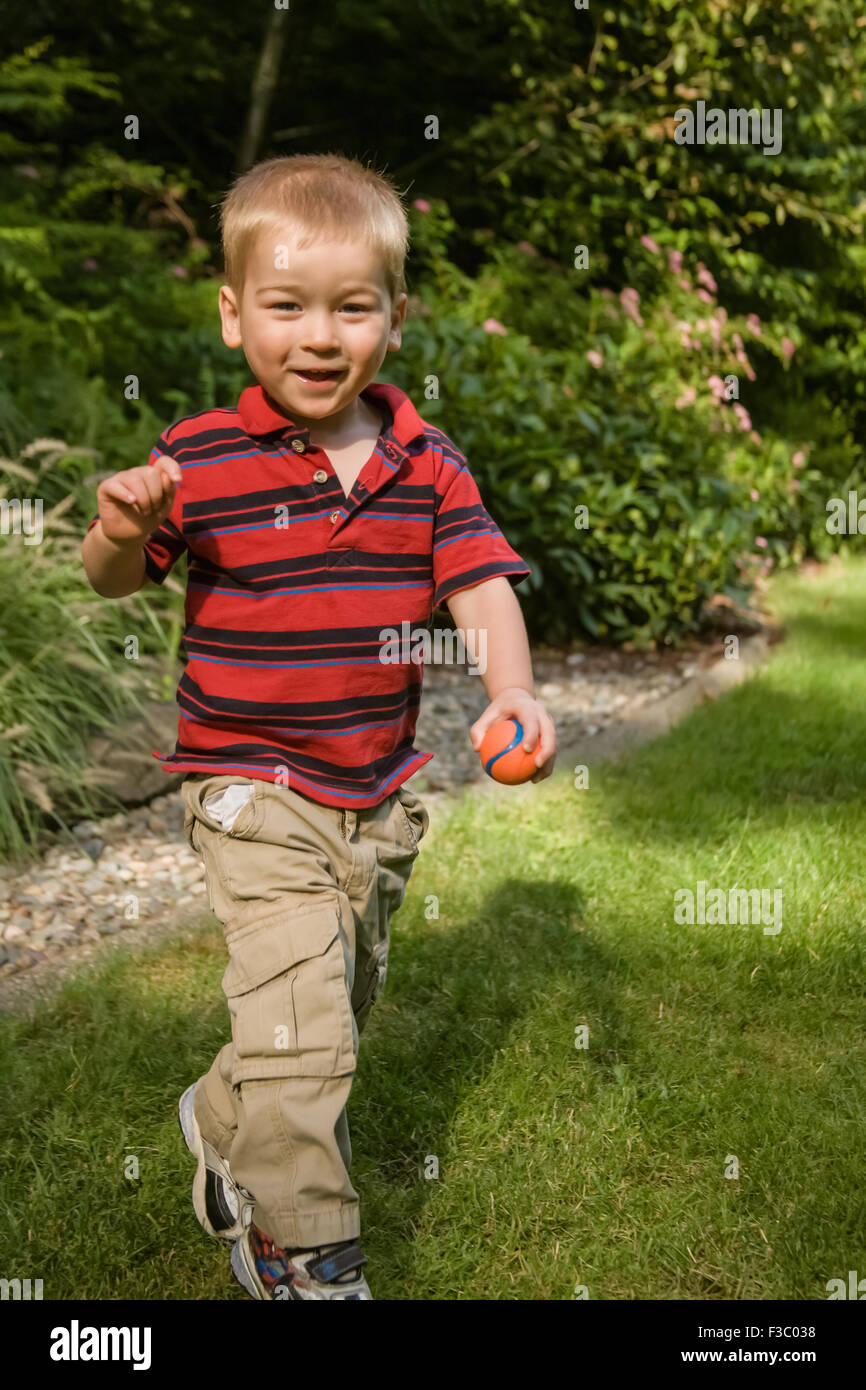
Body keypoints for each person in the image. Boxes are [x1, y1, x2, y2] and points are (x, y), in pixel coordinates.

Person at [81, 153, 557, 1300]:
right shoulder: (196, 459)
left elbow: (481, 586)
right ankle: (301, 1248)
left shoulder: (426, 464)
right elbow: (112, 579)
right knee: (302, 1009)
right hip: (245, 785)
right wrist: (116, 521)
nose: (318, 334)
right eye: (286, 306)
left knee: (322, 1004)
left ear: (393, 317)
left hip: (372, 792)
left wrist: (512, 687)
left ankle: (218, 1115)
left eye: (352, 306)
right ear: (234, 313)